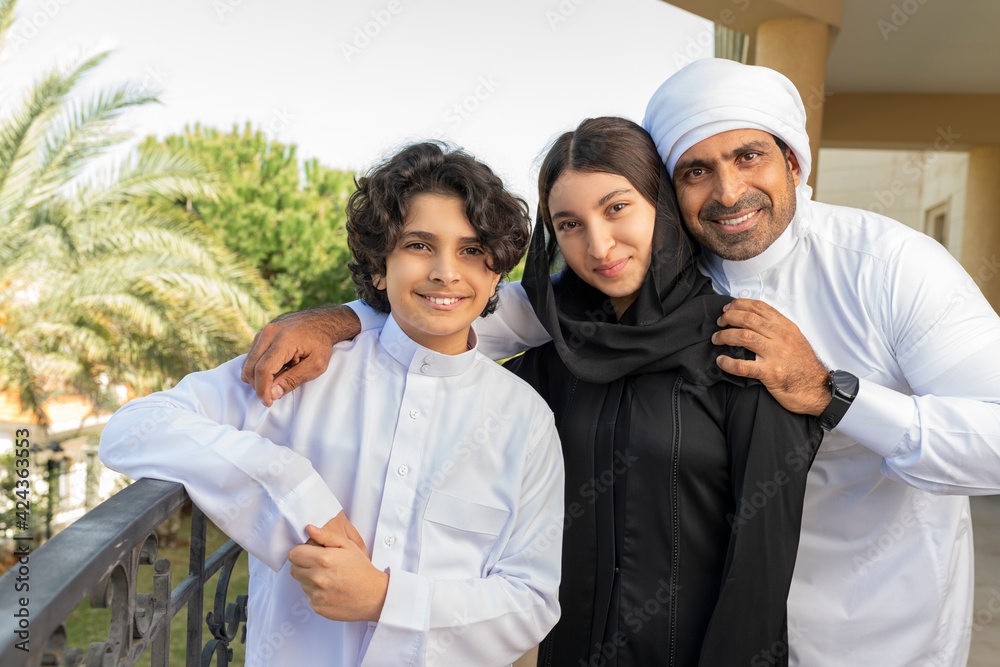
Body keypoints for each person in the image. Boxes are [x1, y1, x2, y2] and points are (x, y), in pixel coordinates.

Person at [240, 59, 1000, 667]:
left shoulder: (888, 269)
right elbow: (470, 310)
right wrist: (342, 319)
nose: (728, 190)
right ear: (672, 192)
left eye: (749, 156)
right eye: (697, 170)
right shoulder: (599, 305)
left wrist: (831, 392)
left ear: (795, 161)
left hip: (876, 619)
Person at [99, 142, 565, 667]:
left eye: (471, 250)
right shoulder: (303, 371)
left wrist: (387, 600)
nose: (445, 272)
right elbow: (134, 427)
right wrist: (287, 483)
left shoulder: (525, 420)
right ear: (379, 266)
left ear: (497, 272)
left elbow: (530, 603)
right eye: (418, 244)